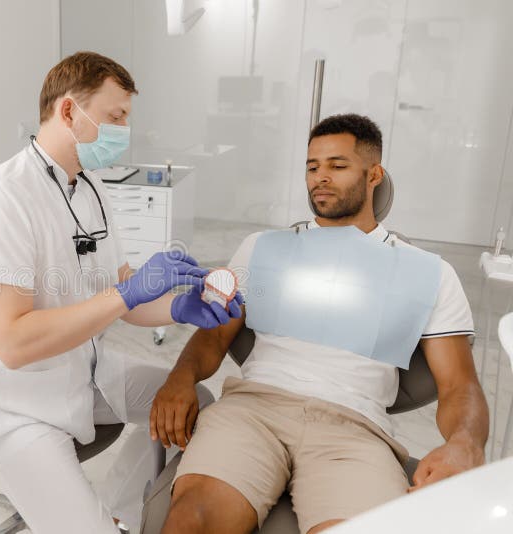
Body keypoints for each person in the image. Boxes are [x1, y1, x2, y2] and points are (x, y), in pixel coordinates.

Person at [152, 114, 488, 534]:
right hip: (252, 411)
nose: (320, 177)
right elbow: (214, 336)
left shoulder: (429, 273)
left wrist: (465, 442)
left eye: (337, 165)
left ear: (374, 175)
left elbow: (459, 385)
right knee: (192, 521)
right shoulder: (261, 248)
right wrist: (180, 377)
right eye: (312, 167)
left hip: (355, 430)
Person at [0, 51, 239, 532]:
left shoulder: (91, 189)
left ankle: (121, 510)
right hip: (16, 403)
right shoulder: (0, 197)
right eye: (116, 116)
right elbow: (13, 343)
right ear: (69, 111)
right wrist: (126, 295)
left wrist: (179, 306)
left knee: (197, 404)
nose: (124, 130)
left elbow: (123, 292)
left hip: (86, 371)